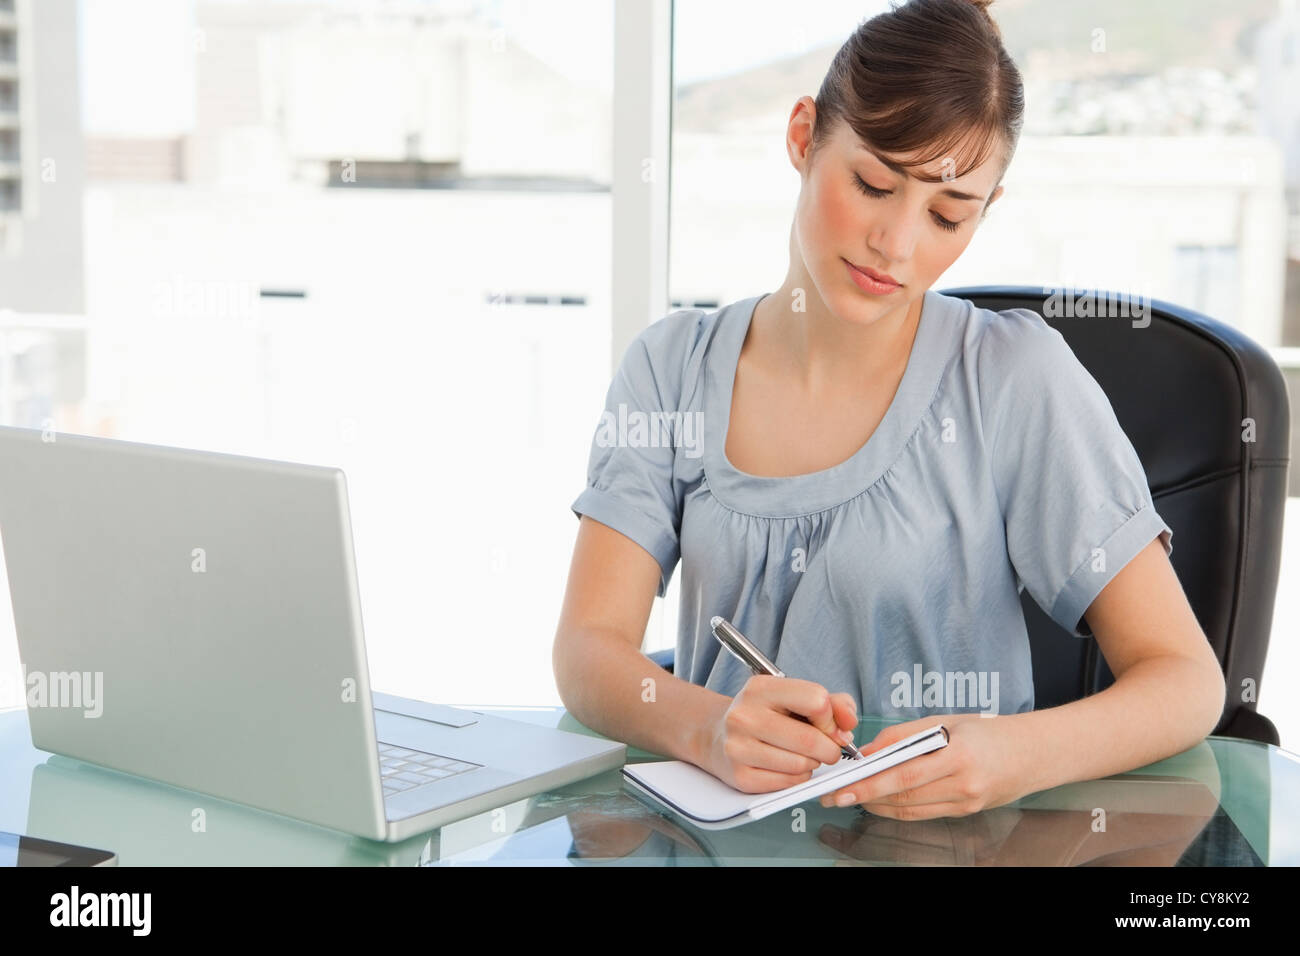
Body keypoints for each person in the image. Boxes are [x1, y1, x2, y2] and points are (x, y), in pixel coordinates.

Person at [552, 0, 1225, 821]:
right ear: (803, 137)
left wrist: (1017, 755)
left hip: (954, 848)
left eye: (949, 214)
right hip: (725, 842)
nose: (898, 244)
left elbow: (1187, 681)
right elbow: (588, 650)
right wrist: (710, 728)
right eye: (874, 184)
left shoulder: (1013, 379)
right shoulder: (670, 368)